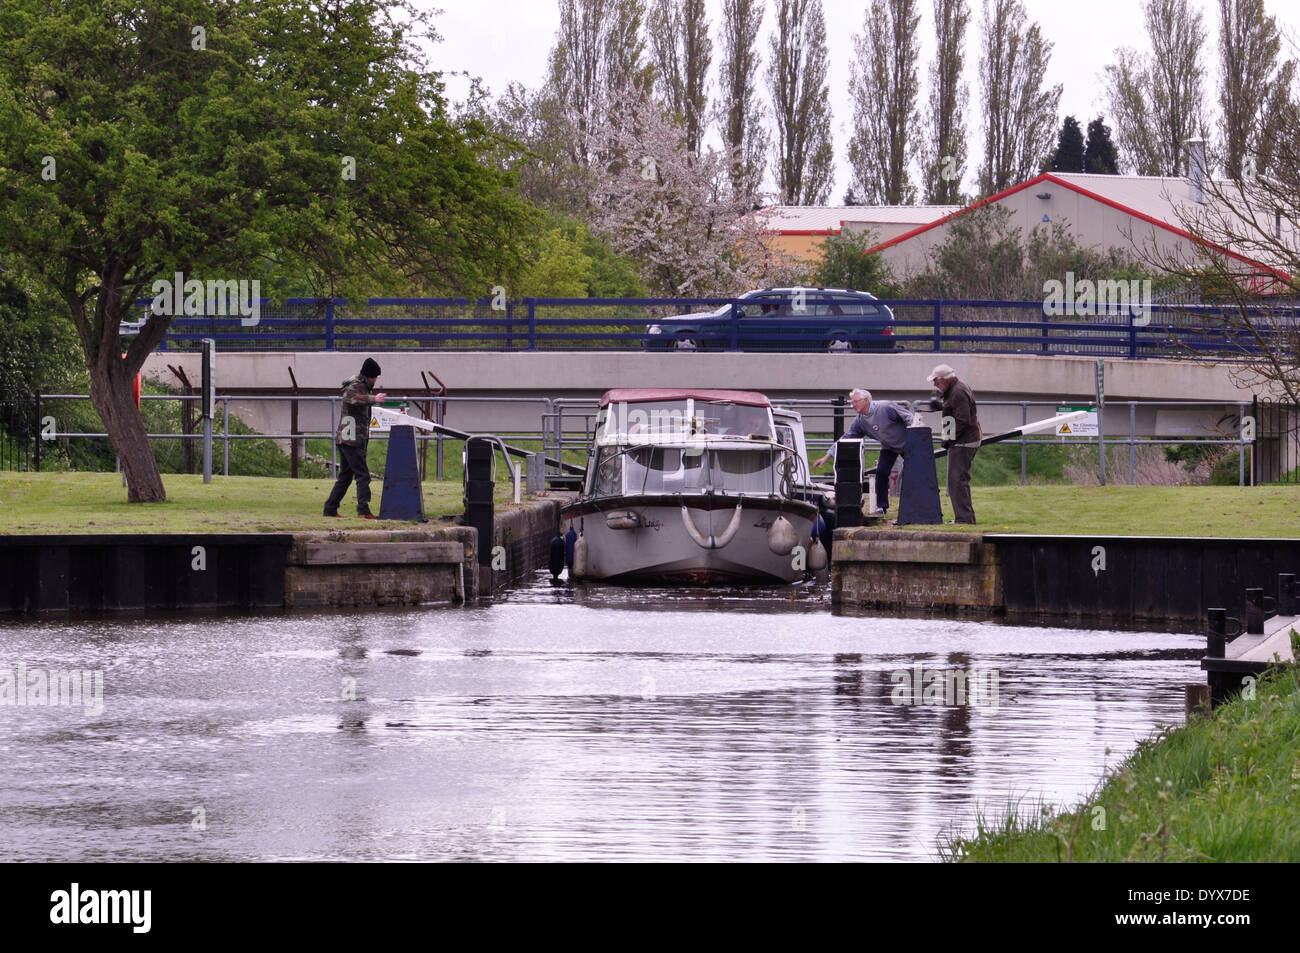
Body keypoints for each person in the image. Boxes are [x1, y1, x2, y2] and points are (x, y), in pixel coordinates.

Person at [813, 388, 913, 515]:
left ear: (866, 400)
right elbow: (845, 439)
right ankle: (882, 507)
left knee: (916, 472)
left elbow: (909, 417)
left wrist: (916, 436)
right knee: (881, 473)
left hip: (908, 444)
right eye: (852, 402)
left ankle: (922, 500)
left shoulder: (885, 407)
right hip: (889, 447)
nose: (853, 405)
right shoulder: (860, 421)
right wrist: (826, 457)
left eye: (855, 402)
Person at [324, 357, 387, 519]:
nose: (375, 380)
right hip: (351, 439)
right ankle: (363, 510)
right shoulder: (356, 386)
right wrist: (373, 399)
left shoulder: (362, 385)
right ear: (368, 376)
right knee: (363, 475)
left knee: (345, 476)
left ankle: (330, 509)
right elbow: (350, 398)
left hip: (349, 438)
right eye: (374, 377)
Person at [928, 363, 982, 524]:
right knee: (958, 481)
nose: (934, 384)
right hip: (962, 440)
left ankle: (964, 519)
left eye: (936, 381)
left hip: (964, 442)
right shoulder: (955, 388)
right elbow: (955, 411)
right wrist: (941, 406)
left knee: (957, 481)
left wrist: (949, 438)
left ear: (944, 379)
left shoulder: (958, 391)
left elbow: (962, 420)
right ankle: (966, 517)